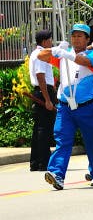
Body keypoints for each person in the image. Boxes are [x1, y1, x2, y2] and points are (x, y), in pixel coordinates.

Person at [39, 24, 93, 189]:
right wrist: (56, 49)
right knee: (62, 140)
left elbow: (85, 61)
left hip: (86, 107)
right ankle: (57, 174)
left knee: (91, 142)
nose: (76, 39)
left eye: (80, 36)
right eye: (74, 36)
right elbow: (41, 56)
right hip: (65, 107)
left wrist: (66, 54)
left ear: (87, 39)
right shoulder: (63, 56)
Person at [28, 30, 56, 172]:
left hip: (41, 91)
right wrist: (47, 99)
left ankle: (36, 161)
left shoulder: (35, 53)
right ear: (44, 41)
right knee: (44, 128)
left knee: (39, 128)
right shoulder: (41, 55)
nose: (51, 42)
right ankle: (43, 162)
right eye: (50, 40)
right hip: (43, 92)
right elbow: (40, 77)